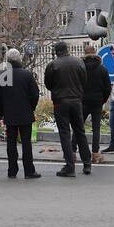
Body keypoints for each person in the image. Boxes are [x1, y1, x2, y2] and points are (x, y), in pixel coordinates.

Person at [44, 42, 91, 177]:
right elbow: (84, 80)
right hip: (76, 100)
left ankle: (70, 166)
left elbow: (48, 84)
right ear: (67, 50)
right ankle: (87, 163)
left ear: (56, 52)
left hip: (60, 101)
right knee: (80, 131)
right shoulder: (79, 62)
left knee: (64, 133)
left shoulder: (53, 65)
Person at [0, 47, 41, 179]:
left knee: (11, 143)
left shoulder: (2, 75)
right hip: (25, 112)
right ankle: (29, 171)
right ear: (19, 58)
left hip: (9, 114)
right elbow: (35, 94)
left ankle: (12, 170)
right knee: (26, 143)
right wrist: (31, 107)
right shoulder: (27, 74)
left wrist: (0, 114)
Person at [81, 42, 112, 160]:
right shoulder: (102, 69)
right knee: (96, 129)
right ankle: (95, 153)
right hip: (97, 101)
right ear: (95, 54)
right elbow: (107, 88)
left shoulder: (81, 68)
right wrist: (102, 100)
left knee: (79, 127)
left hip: (83, 101)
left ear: (84, 54)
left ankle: (73, 151)